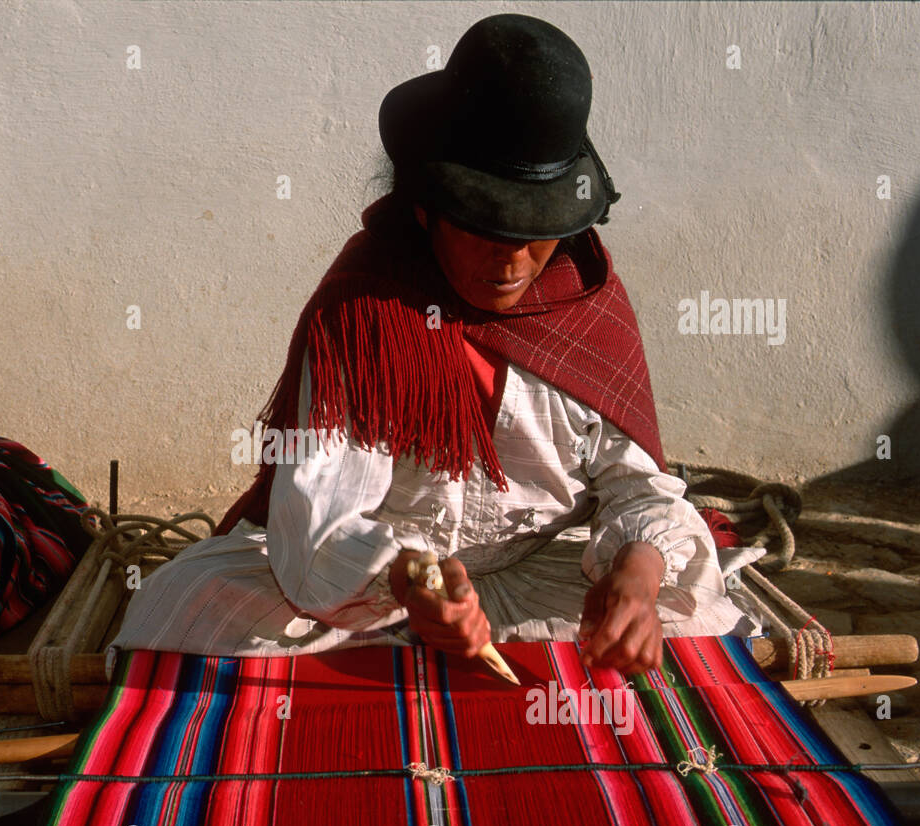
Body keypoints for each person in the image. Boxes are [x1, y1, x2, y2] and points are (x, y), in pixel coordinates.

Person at [112, 13, 761, 675]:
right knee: (183, 612)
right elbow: (316, 522)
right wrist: (410, 582)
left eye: (537, 230)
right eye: (487, 224)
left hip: (533, 575)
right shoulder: (367, 309)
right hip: (378, 590)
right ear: (425, 206)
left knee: (702, 621)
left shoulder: (588, 308)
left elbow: (641, 491)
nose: (513, 260)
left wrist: (638, 577)